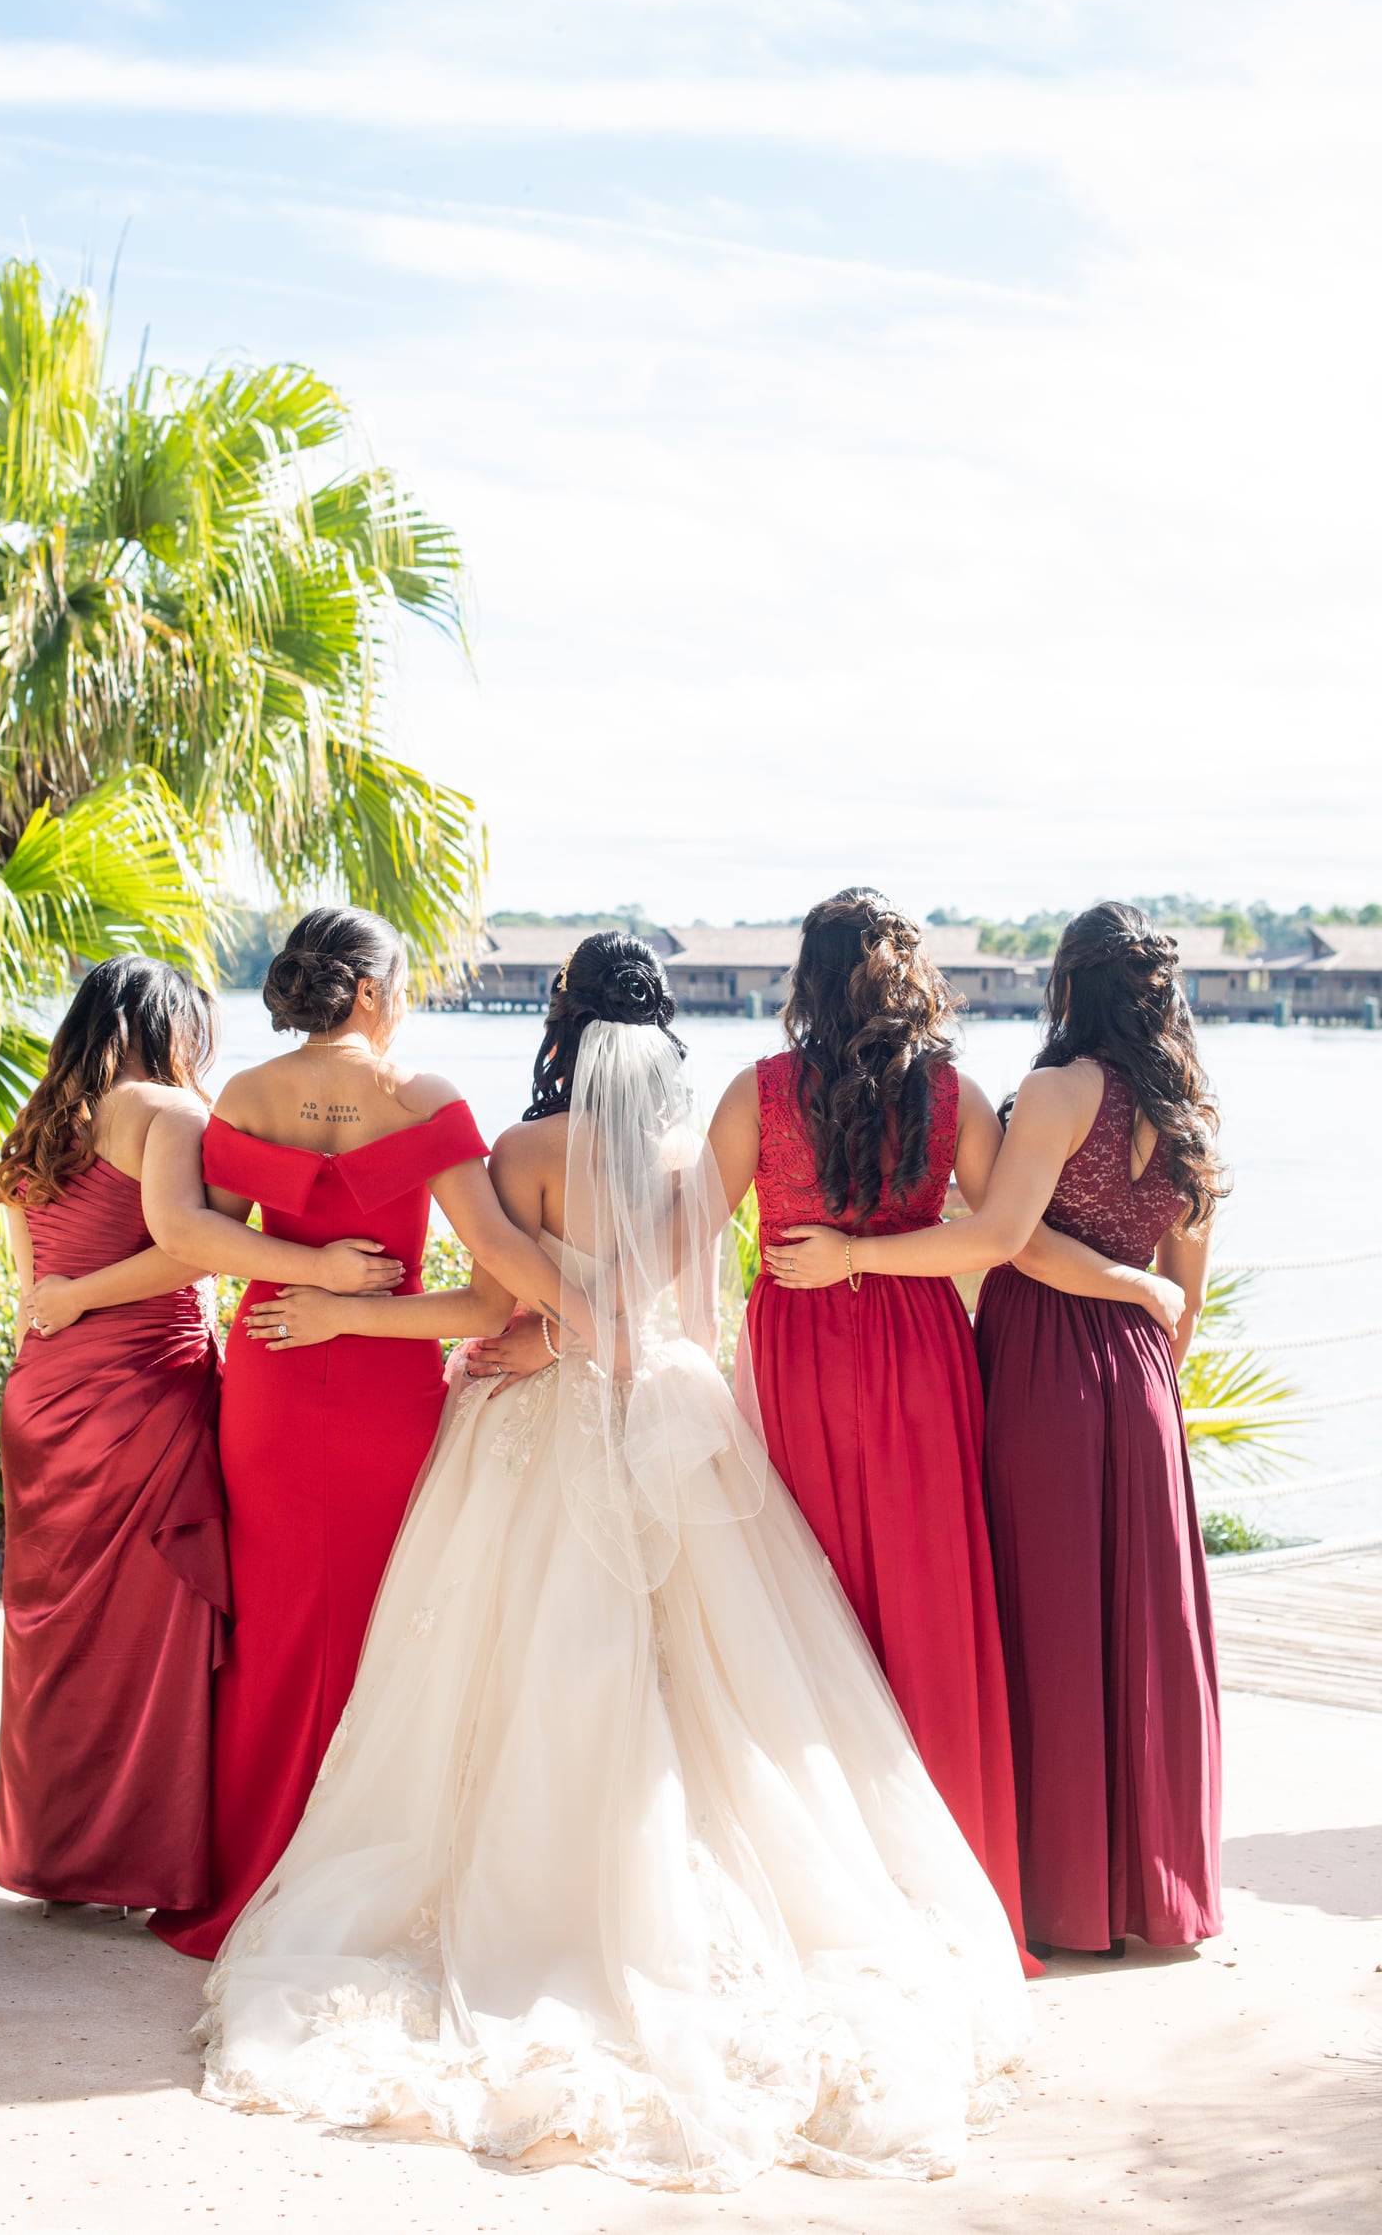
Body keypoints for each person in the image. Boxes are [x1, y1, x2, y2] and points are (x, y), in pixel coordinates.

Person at [193, 933, 1031, 2191]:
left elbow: (493, 1309)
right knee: (713, 1688)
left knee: (510, 1665)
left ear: (563, 1024)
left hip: (539, 1407)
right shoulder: (698, 1150)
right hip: (671, 1409)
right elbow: (700, 1310)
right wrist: (650, 1363)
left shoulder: (521, 1154)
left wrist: (542, 1339)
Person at [706, 890, 1182, 1970]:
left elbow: (684, 1236)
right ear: (909, 979)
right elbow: (998, 1239)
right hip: (923, 1355)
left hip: (799, 1349)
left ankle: (818, 1889)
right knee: (932, 1605)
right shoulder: (959, 1095)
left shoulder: (755, 1093)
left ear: (806, 980)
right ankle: (958, 1885)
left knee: (809, 1595)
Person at [145, 907, 574, 1961]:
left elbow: (197, 1234)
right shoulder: (418, 1096)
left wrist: (309, 1271)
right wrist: (592, 1319)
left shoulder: (244, 1093)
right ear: (376, 992)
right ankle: (363, 1862)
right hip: (387, 1385)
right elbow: (490, 1262)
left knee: (279, 1623)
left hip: (275, 1375)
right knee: (396, 1616)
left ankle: (250, 1872)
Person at [0, 957, 384, 1912]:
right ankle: (140, 1862)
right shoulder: (169, 1114)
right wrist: (321, 1267)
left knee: (61, 1646)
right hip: (140, 1394)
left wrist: (61, 1314)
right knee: (151, 1639)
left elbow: (29, 1284)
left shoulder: (34, 1126)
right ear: (173, 1026)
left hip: (43, 1396)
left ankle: (55, 1859)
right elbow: (184, 1243)